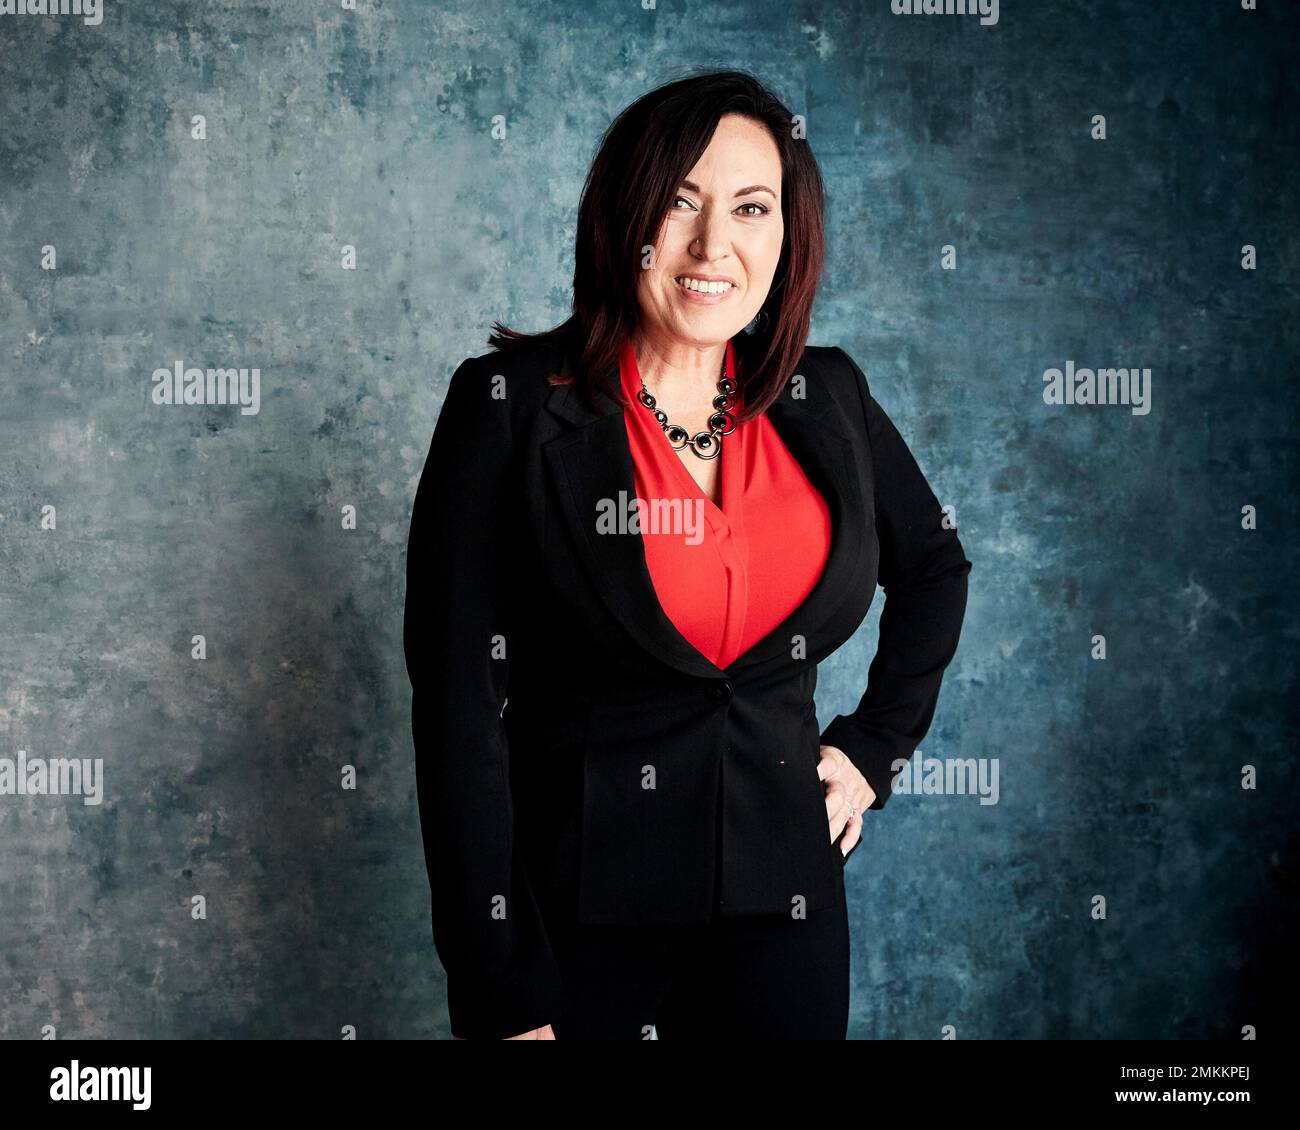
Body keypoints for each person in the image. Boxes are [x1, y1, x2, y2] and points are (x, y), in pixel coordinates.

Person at [403, 68, 972, 1040]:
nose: (714, 246)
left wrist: (871, 749)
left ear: (786, 233)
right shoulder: (506, 406)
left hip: (783, 911)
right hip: (575, 921)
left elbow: (933, 566)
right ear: (626, 215)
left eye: (751, 207)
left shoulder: (824, 397)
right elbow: (458, 709)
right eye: (679, 202)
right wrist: (500, 984)